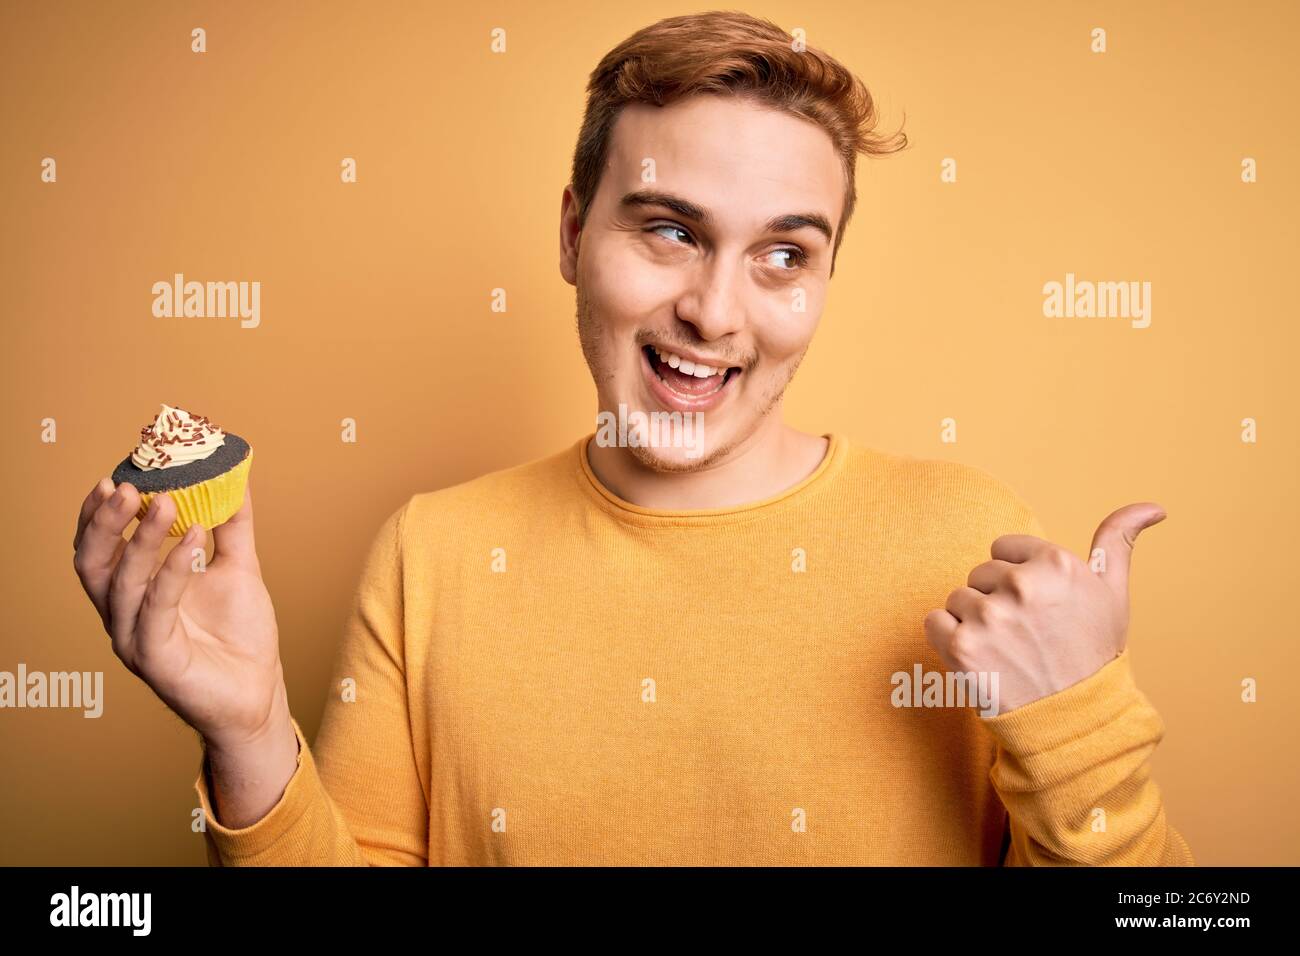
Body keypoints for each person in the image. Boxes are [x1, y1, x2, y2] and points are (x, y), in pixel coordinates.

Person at [71, 10, 1193, 866]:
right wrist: (253, 732)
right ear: (572, 232)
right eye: (669, 229)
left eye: (784, 253)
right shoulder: (434, 554)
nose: (715, 309)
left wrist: (1078, 712)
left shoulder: (966, 540)